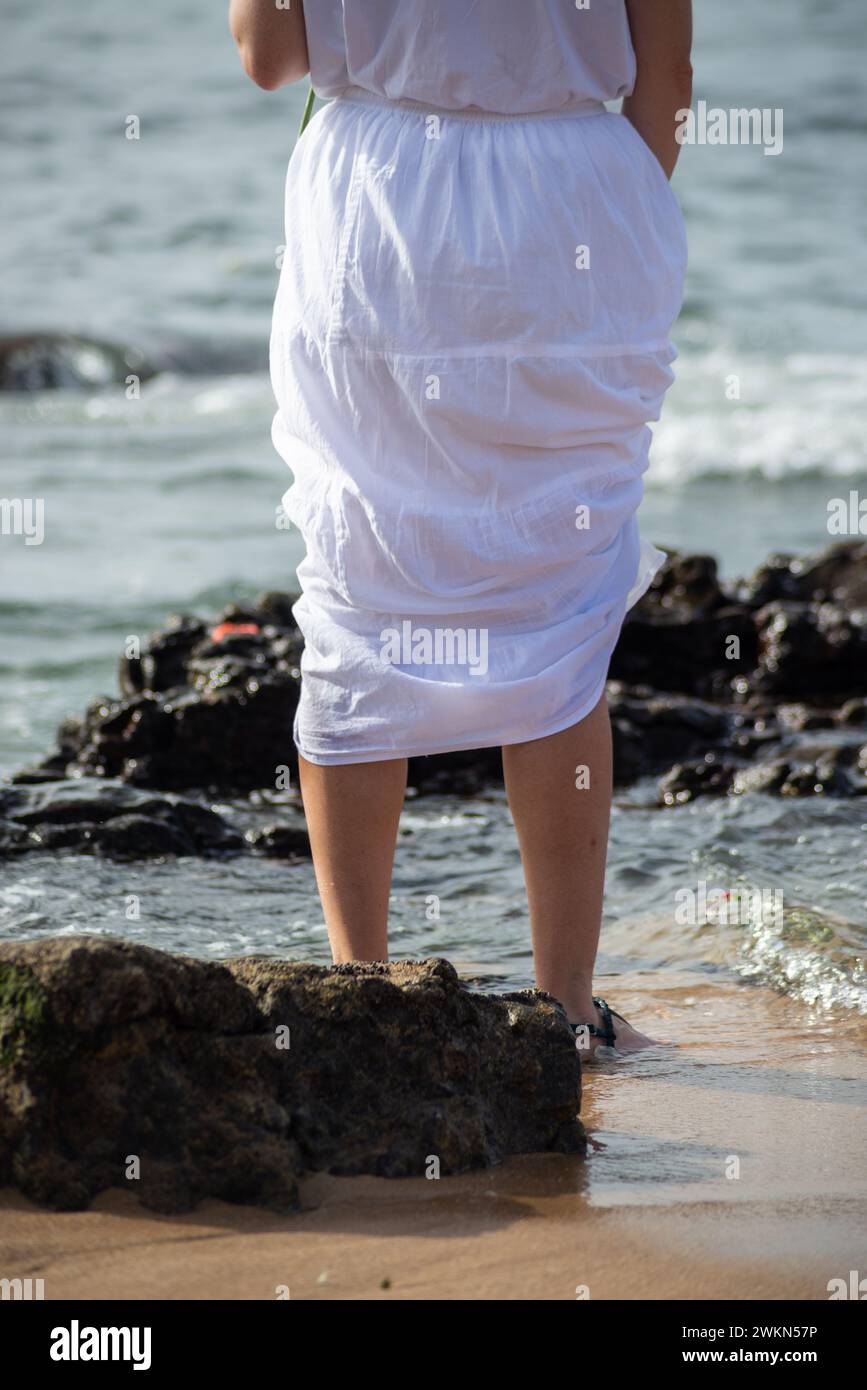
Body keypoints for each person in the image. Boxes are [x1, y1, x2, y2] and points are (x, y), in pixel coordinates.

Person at [229, 0, 692, 1054]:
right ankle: (568, 1006)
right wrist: (598, 205)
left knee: (360, 586)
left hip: (379, 206)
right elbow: (668, 77)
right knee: (562, 603)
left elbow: (269, 57)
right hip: (573, 203)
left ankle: (361, 996)